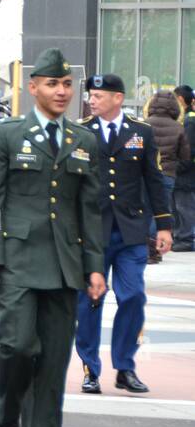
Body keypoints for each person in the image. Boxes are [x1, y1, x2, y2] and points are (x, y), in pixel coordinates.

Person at [0, 48, 106, 427]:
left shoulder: (84, 141)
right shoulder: (8, 134)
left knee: (53, 359)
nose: (61, 91)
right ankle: (9, 418)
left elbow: (91, 211)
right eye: (52, 83)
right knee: (16, 346)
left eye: (67, 84)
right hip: (16, 261)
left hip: (65, 266)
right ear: (33, 88)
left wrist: (94, 267)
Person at [74, 74, 171, 395]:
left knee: (133, 297)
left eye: (99, 95)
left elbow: (154, 180)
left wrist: (165, 225)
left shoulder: (140, 132)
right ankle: (90, 368)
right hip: (92, 232)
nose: (92, 100)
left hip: (130, 231)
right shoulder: (80, 131)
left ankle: (125, 366)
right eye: (90, 95)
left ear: (118, 98)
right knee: (90, 300)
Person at [143, 89, 186, 264]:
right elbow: (185, 156)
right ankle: (156, 247)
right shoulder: (179, 128)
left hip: (146, 174)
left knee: (145, 209)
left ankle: (146, 247)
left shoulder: (144, 124)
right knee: (161, 210)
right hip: (168, 174)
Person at [172, 84, 195, 251]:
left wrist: (178, 166)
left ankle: (185, 238)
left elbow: (188, 149)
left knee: (183, 206)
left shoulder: (190, 121)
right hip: (185, 170)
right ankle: (181, 236)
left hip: (186, 172)